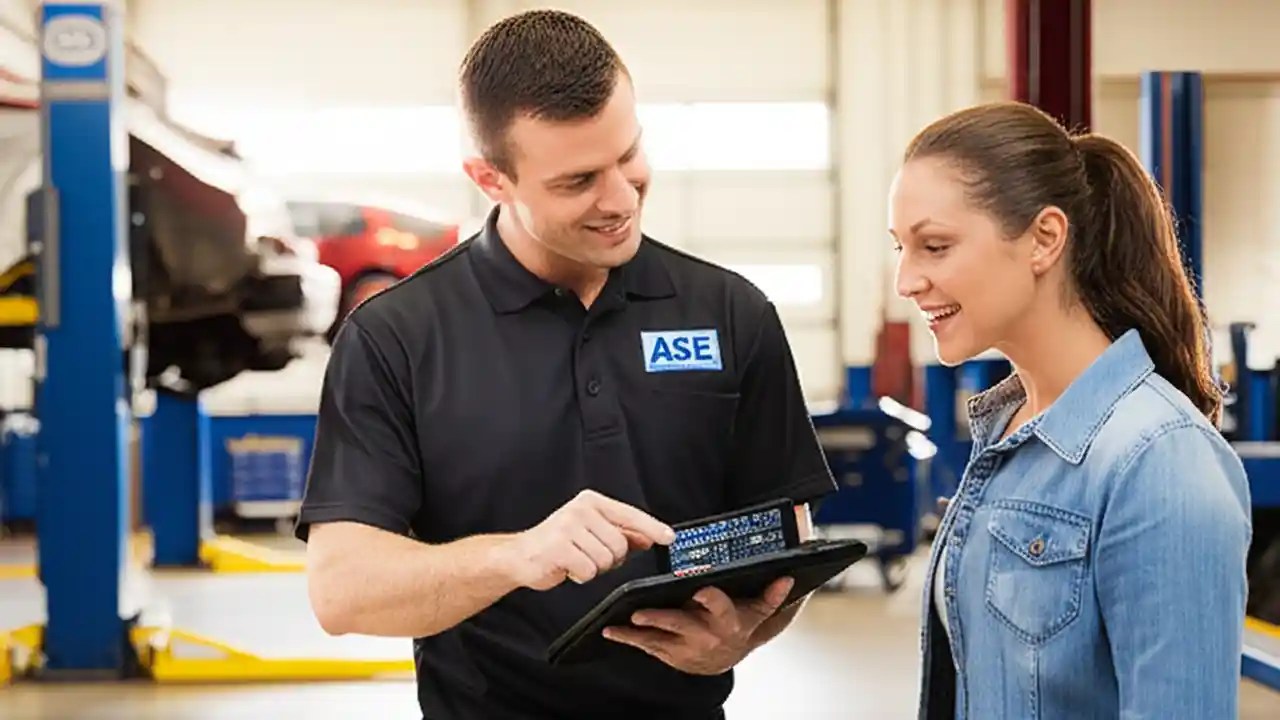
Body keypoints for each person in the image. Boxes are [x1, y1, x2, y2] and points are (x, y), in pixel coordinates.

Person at [295, 9, 837, 720]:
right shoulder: (397, 337)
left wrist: (743, 634)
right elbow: (343, 592)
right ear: (490, 179)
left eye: (629, 155)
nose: (619, 199)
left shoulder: (731, 314)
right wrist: (517, 557)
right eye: (578, 180)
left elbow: (784, 541)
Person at [889, 101, 1253, 719]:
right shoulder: (1007, 434)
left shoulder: (1159, 459)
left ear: (1045, 239)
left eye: (935, 246)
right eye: (901, 247)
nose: (905, 280)